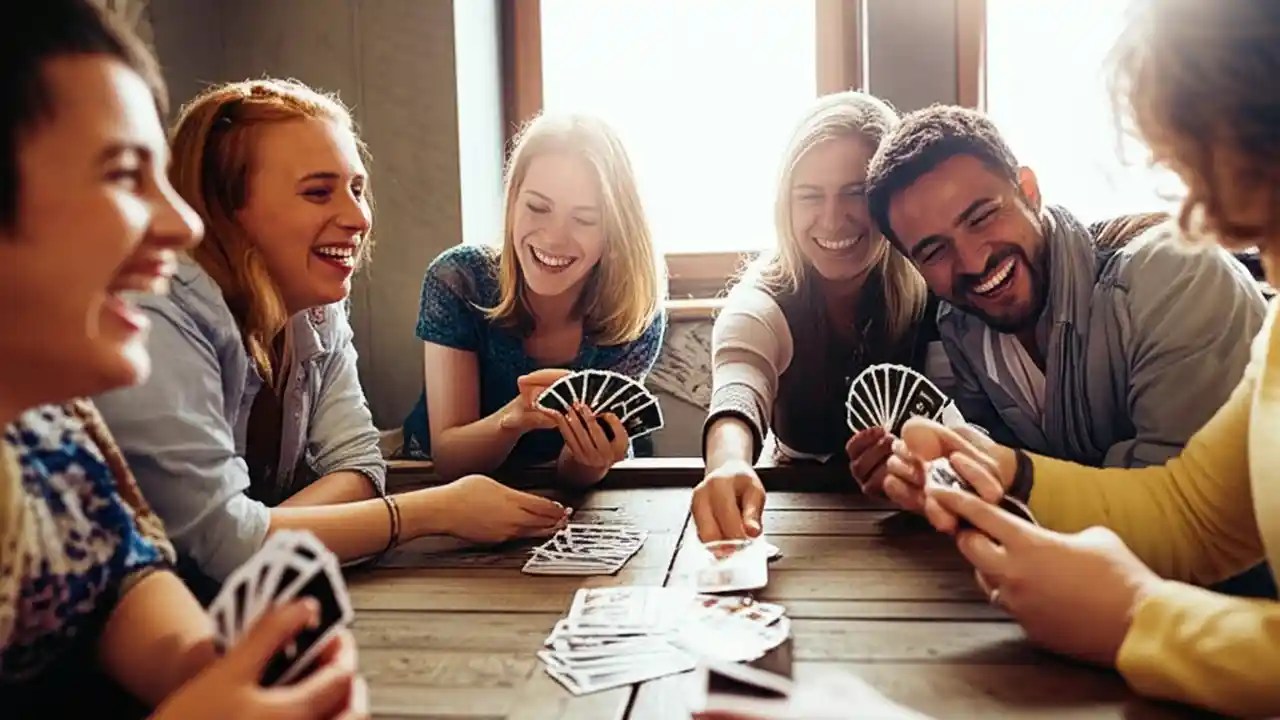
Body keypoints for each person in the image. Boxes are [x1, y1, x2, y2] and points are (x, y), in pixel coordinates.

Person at [881, 0, 1280, 714]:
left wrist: (1142, 617)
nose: (1203, 223)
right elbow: (1192, 511)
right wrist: (1001, 471)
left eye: (1221, 181)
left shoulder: (1171, 272)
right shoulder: (962, 328)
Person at [0, 2, 364, 717]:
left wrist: (240, 677)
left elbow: (128, 588)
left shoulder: (52, 435)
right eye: (122, 174)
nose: (184, 222)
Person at [95, 79, 569, 589]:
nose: (358, 217)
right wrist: (431, 511)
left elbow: (359, 464)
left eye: (357, 189)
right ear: (223, 211)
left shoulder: (316, 310)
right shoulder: (160, 313)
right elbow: (222, 544)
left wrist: (266, 539)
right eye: (318, 192)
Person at [693, 91, 953, 543]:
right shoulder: (761, 301)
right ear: (784, 206)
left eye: (856, 194)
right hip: (796, 513)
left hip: (920, 517)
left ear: (890, 200)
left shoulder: (935, 287)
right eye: (809, 196)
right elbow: (738, 388)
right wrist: (729, 464)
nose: (832, 220)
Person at [401, 113, 667, 486]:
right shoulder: (458, 279)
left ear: (615, 231)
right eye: (538, 208)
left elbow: (573, 478)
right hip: (442, 488)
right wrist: (515, 418)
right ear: (512, 203)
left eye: (585, 220)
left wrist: (589, 459)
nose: (554, 239)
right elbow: (449, 458)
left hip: (584, 496)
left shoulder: (634, 310)